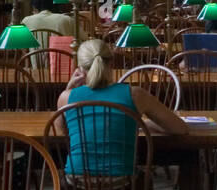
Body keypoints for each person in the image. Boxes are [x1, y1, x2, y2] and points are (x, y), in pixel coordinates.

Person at [57, 40, 193, 173]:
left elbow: (62, 129)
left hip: (77, 186)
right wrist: (144, 124)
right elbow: (180, 128)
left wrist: (68, 89)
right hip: (124, 186)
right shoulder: (136, 94)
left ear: (80, 68)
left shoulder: (66, 98)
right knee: (189, 157)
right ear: (111, 63)